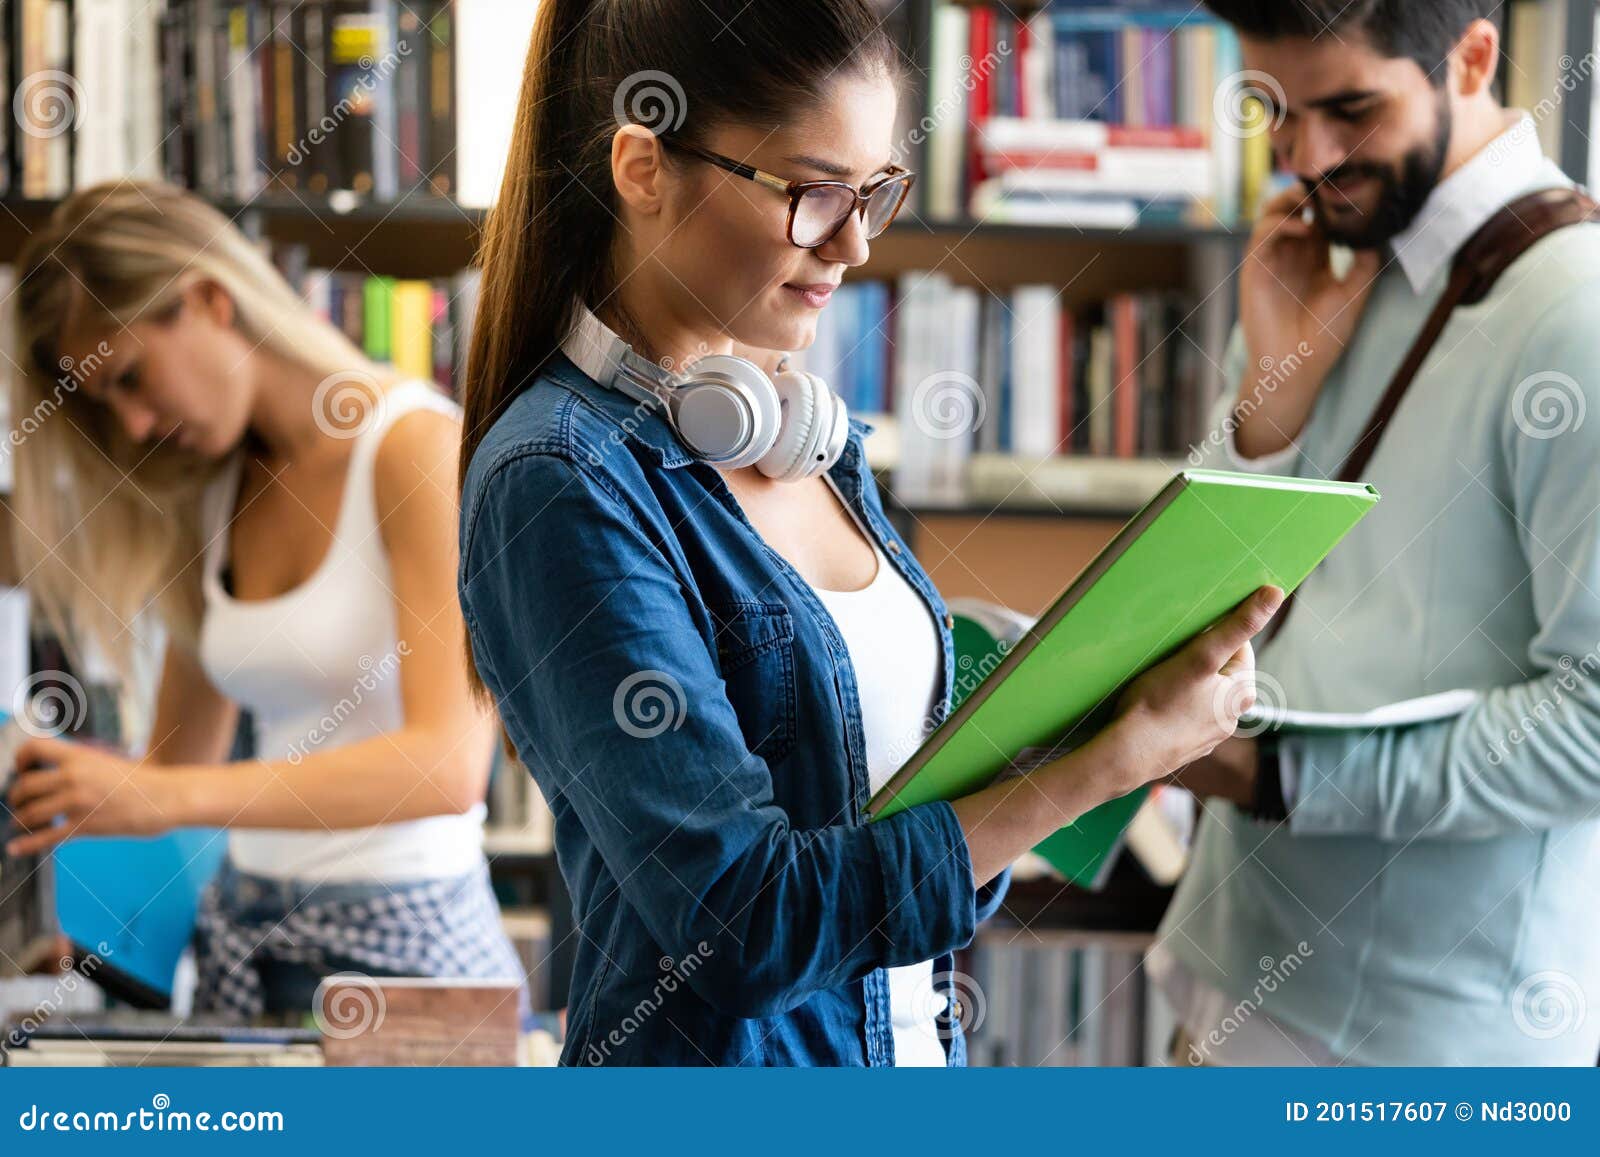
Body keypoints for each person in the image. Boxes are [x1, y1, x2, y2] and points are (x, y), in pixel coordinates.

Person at [455, 0, 1281, 1067]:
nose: (852, 242)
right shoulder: (561, 478)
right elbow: (740, 924)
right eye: (812, 192)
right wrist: (1106, 767)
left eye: (875, 191)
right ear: (642, 166)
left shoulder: (805, 436)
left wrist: (1089, 700)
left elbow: (890, 833)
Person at [1153, 0, 1600, 1065]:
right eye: (1275, 110)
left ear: (1474, 56)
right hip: (1232, 967)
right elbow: (1214, 593)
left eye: (1349, 109)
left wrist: (1276, 776)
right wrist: (1269, 403)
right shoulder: (1339, 265)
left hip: (1428, 1045)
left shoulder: (1576, 313)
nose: (1305, 157)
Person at [5, 181, 526, 1018]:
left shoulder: (414, 449)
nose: (134, 426)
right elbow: (179, 773)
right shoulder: (210, 495)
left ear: (211, 299)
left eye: (131, 375)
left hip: (412, 951)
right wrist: (74, 793)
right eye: (107, 403)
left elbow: (446, 766)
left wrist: (165, 796)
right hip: (246, 943)